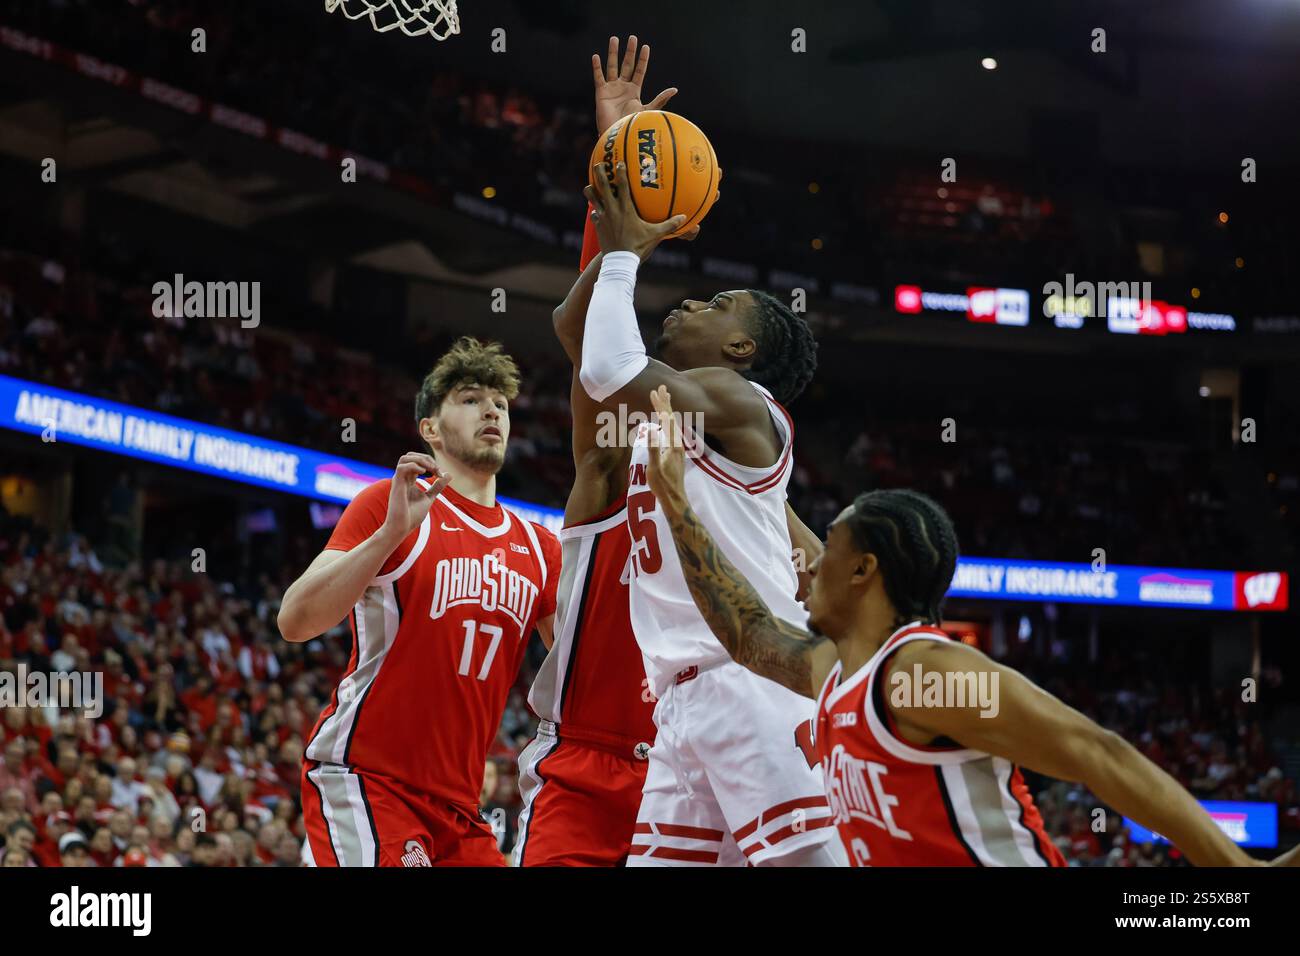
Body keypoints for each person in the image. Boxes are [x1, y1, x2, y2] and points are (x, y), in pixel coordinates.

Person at [642, 385, 1298, 867]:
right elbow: (748, 632)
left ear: (865, 569)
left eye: (828, 548)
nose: (807, 565)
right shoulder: (837, 676)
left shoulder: (923, 675)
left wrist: (1235, 871)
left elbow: (1097, 752)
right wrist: (680, 498)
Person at [569, 131, 839, 866]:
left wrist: (627, 254)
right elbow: (576, 329)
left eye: (719, 303)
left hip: (751, 684)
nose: (692, 300)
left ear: (741, 350)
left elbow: (606, 367)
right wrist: (611, 207)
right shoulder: (686, 419)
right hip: (681, 701)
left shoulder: (737, 399)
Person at [280, 337, 561, 867]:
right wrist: (388, 535)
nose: (491, 411)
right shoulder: (389, 505)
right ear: (430, 429)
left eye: (500, 404)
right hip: (368, 779)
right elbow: (295, 619)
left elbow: (579, 673)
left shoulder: (541, 548)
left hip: (459, 806)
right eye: (471, 398)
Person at [515, 34, 675, 868]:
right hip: (583, 773)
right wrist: (616, 171)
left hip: (688, 788)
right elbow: (591, 356)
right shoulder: (620, 472)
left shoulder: (758, 525)